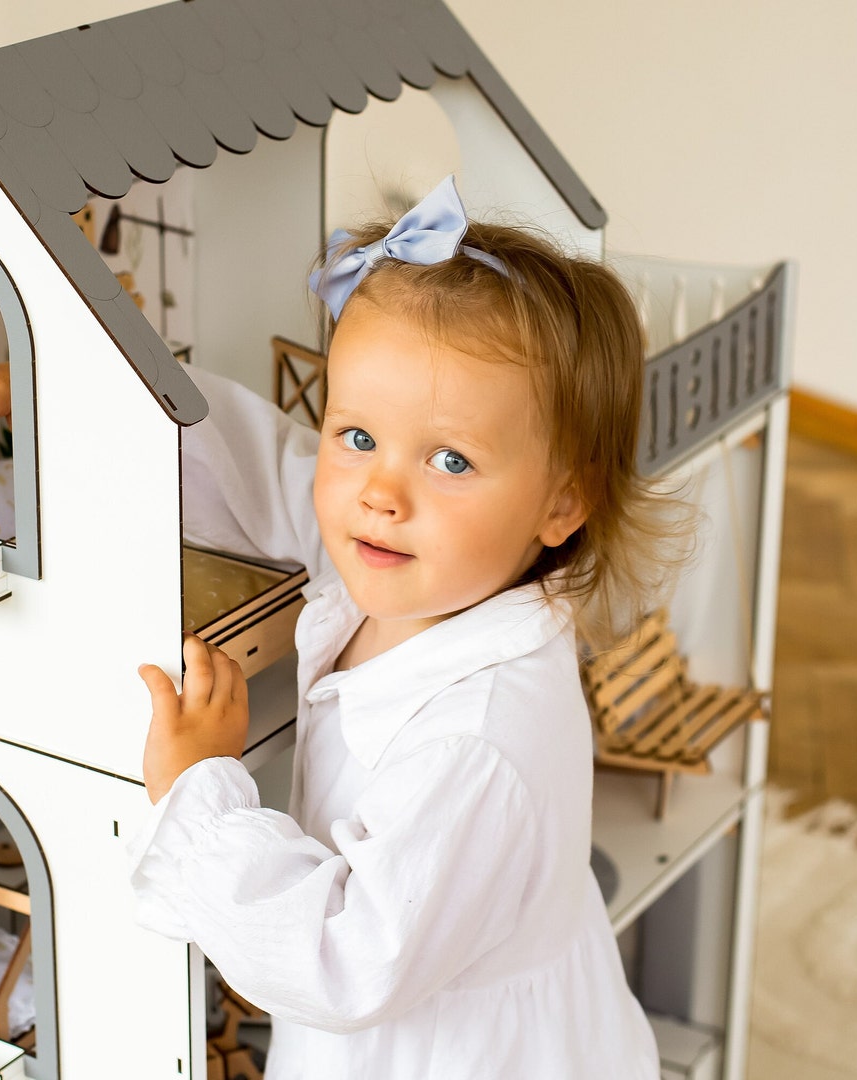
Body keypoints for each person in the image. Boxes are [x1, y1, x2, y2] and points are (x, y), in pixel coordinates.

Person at [128, 176, 666, 1078]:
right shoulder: (414, 553)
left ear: (563, 501)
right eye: (358, 435)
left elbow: (341, 959)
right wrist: (84, 407)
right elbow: (257, 465)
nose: (381, 491)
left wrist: (200, 791)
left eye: (450, 459)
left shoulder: (479, 742)